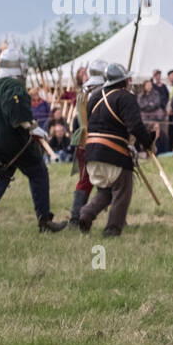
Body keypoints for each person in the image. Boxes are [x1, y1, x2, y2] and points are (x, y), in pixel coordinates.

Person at [0, 46, 69, 233]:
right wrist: (34, 128)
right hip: (14, 141)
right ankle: (44, 221)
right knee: (38, 173)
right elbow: (17, 114)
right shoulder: (13, 85)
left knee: (0, 177)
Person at [76, 63, 157, 236]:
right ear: (123, 80)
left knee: (105, 191)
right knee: (122, 191)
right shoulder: (125, 97)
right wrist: (148, 142)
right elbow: (135, 126)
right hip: (114, 153)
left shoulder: (95, 97)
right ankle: (112, 229)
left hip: (91, 153)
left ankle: (86, 213)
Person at [68, 64, 107, 226]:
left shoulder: (84, 90)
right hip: (96, 140)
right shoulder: (101, 92)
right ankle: (76, 218)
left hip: (84, 142)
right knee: (109, 180)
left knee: (88, 180)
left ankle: (76, 219)